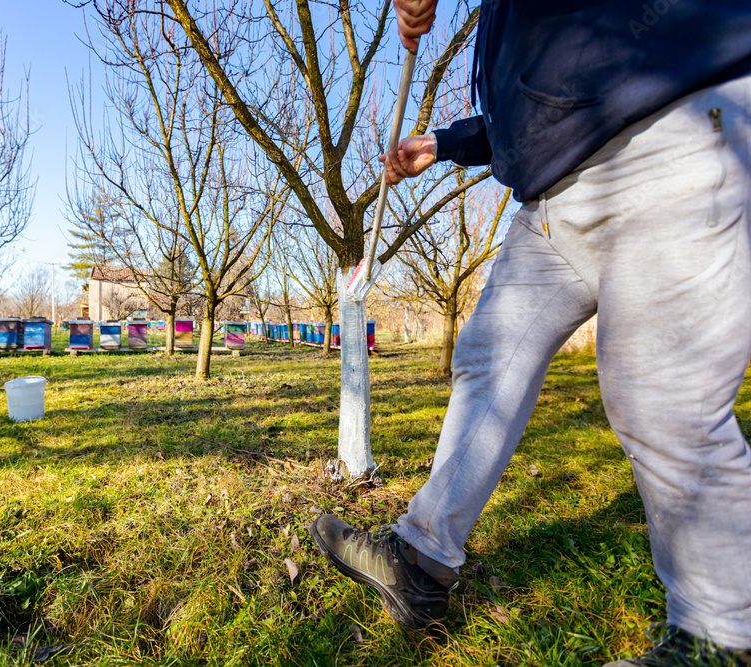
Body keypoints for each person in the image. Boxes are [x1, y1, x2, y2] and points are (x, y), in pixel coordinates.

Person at [310, 1, 751, 664]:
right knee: (487, 361)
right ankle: (421, 561)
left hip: (671, 125)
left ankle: (723, 635)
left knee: (660, 397)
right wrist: (445, 143)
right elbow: (541, 105)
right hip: (553, 196)